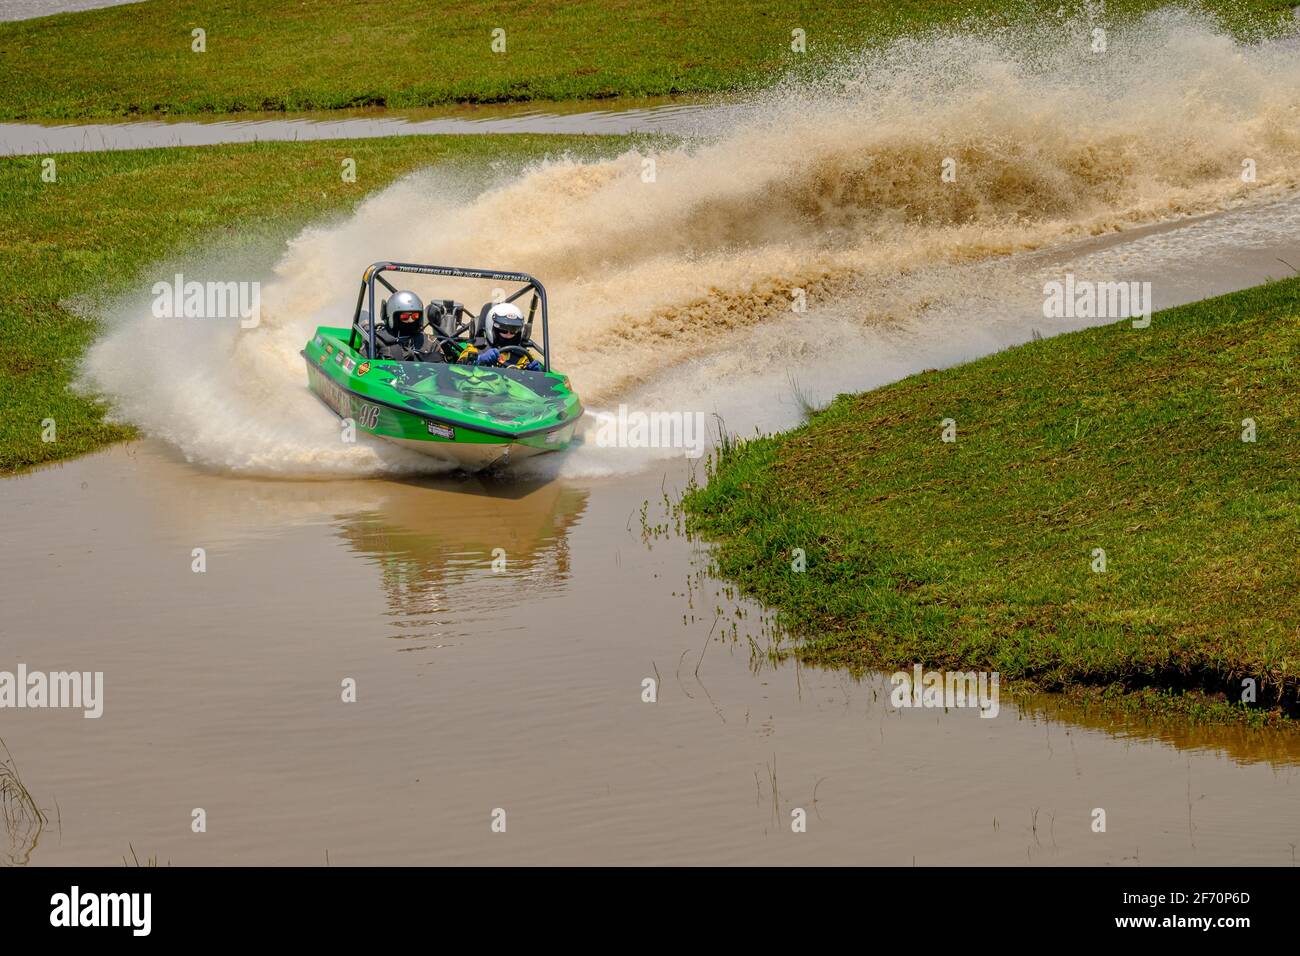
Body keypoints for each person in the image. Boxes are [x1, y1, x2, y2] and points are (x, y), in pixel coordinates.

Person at [457, 302, 542, 370]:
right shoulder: (477, 347)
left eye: (513, 330)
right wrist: (479, 359)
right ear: (492, 328)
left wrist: (537, 373)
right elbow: (459, 366)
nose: (508, 334)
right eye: (503, 329)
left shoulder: (523, 355)